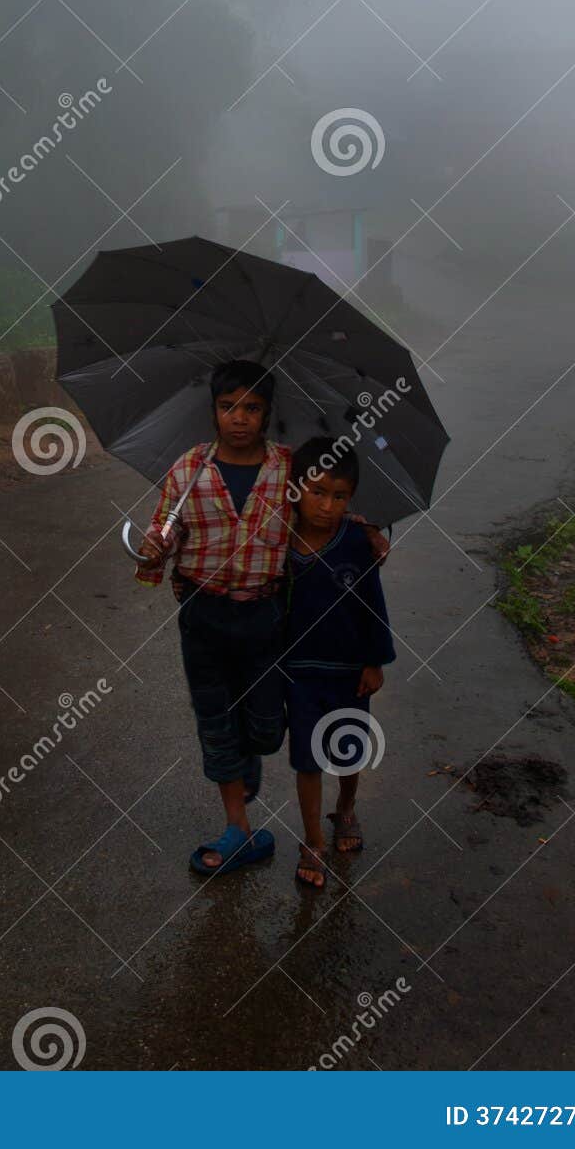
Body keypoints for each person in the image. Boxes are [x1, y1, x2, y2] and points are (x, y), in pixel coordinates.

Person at [134, 360, 390, 876]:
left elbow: (324, 507)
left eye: (251, 408)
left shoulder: (288, 469)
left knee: (268, 728)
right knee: (216, 721)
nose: (239, 418)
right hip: (203, 615)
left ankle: (247, 756)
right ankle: (239, 829)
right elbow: (165, 529)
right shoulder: (188, 469)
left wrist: (364, 530)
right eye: (228, 406)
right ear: (213, 411)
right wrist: (153, 549)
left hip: (266, 619)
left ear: (267, 414)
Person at [282, 436, 396, 890]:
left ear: (351, 499)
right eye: (317, 492)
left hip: (350, 671)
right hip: (298, 672)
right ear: (295, 489)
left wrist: (375, 661)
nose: (327, 506)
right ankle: (313, 840)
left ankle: (346, 807)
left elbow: (373, 604)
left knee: (348, 749)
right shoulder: (278, 539)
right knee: (307, 760)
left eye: (339, 496)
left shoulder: (354, 542)